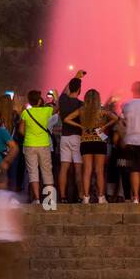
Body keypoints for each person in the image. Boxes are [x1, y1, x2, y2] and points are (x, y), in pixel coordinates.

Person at [52, 73, 84, 202]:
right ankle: (81, 196)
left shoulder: (63, 100)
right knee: (78, 169)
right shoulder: (81, 104)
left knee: (64, 168)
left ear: (69, 88)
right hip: (77, 137)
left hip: (64, 137)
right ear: (80, 90)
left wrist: (76, 77)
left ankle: (63, 196)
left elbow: (65, 91)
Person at [20, 90, 55, 204]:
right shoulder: (47, 110)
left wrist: (30, 135)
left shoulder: (25, 113)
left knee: (33, 172)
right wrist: (56, 95)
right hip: (44, 144)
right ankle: (49, 201)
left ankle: (37, 199)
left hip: (30, 144)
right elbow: (58, 107)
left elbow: (21, 130)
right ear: (40, 100)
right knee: (47, 172)